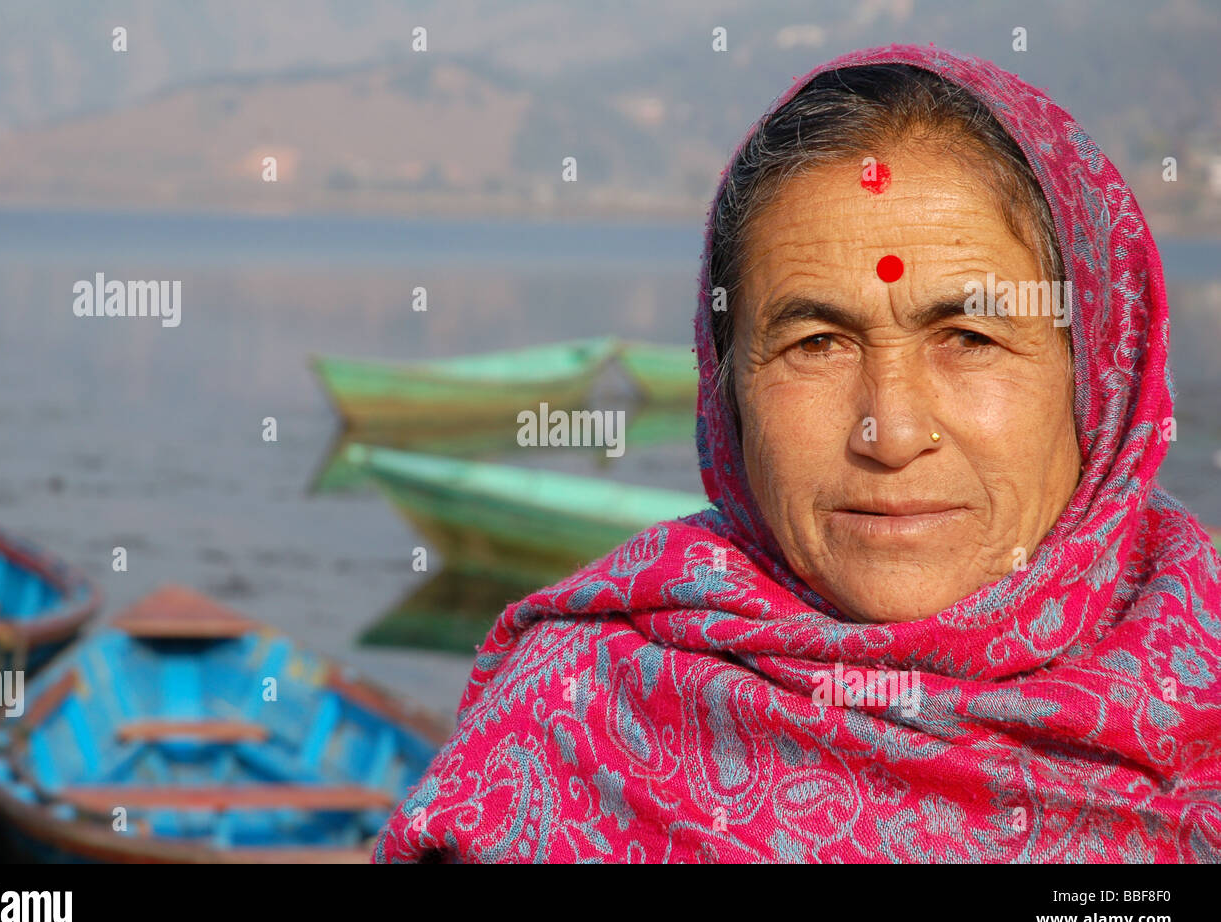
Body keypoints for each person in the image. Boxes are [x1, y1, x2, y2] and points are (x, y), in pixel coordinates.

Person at [375, 43, 1221, 863]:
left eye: (969, 335)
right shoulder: (573, 717)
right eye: (816, 343)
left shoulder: (1199, 694)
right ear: (727, 387)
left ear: (1103, 377)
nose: (889, 433)